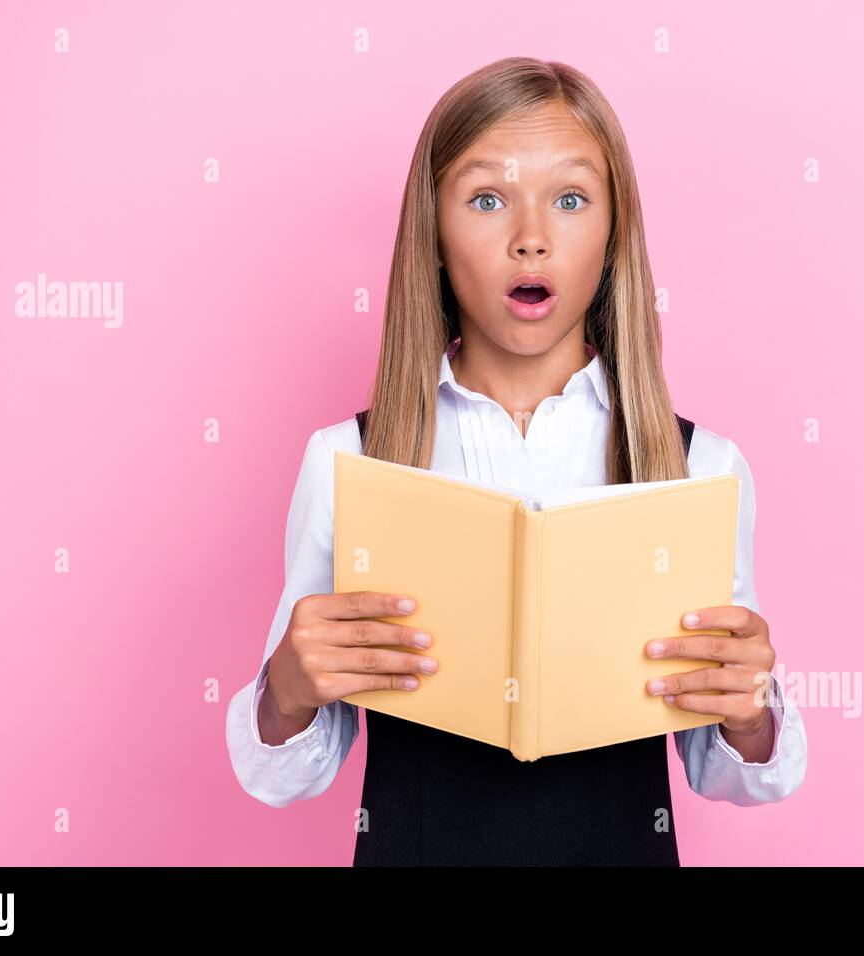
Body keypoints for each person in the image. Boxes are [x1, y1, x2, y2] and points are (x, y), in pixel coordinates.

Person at [226, 56, 807, 865]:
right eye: (488, 199)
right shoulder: (347, 461)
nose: (530, 237)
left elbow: (732, 774)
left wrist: (750, 712)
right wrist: (286, 691)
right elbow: (283, 772)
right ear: (432, 230)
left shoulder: (699, 467)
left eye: (570, 200)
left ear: (612, 235)